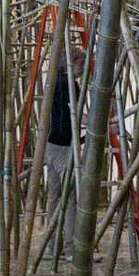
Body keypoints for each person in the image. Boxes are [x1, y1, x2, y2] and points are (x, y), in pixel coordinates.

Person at [46, 47, 83, 258]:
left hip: (50, 145)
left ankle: (53, 247)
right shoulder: (69, 85)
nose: (83, 69)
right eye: (81, 64)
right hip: (62, 147)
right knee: (69, 198)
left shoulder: (53, 81)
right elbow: (74, 117)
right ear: (74, 62)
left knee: (54, 197)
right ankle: (70, 248)